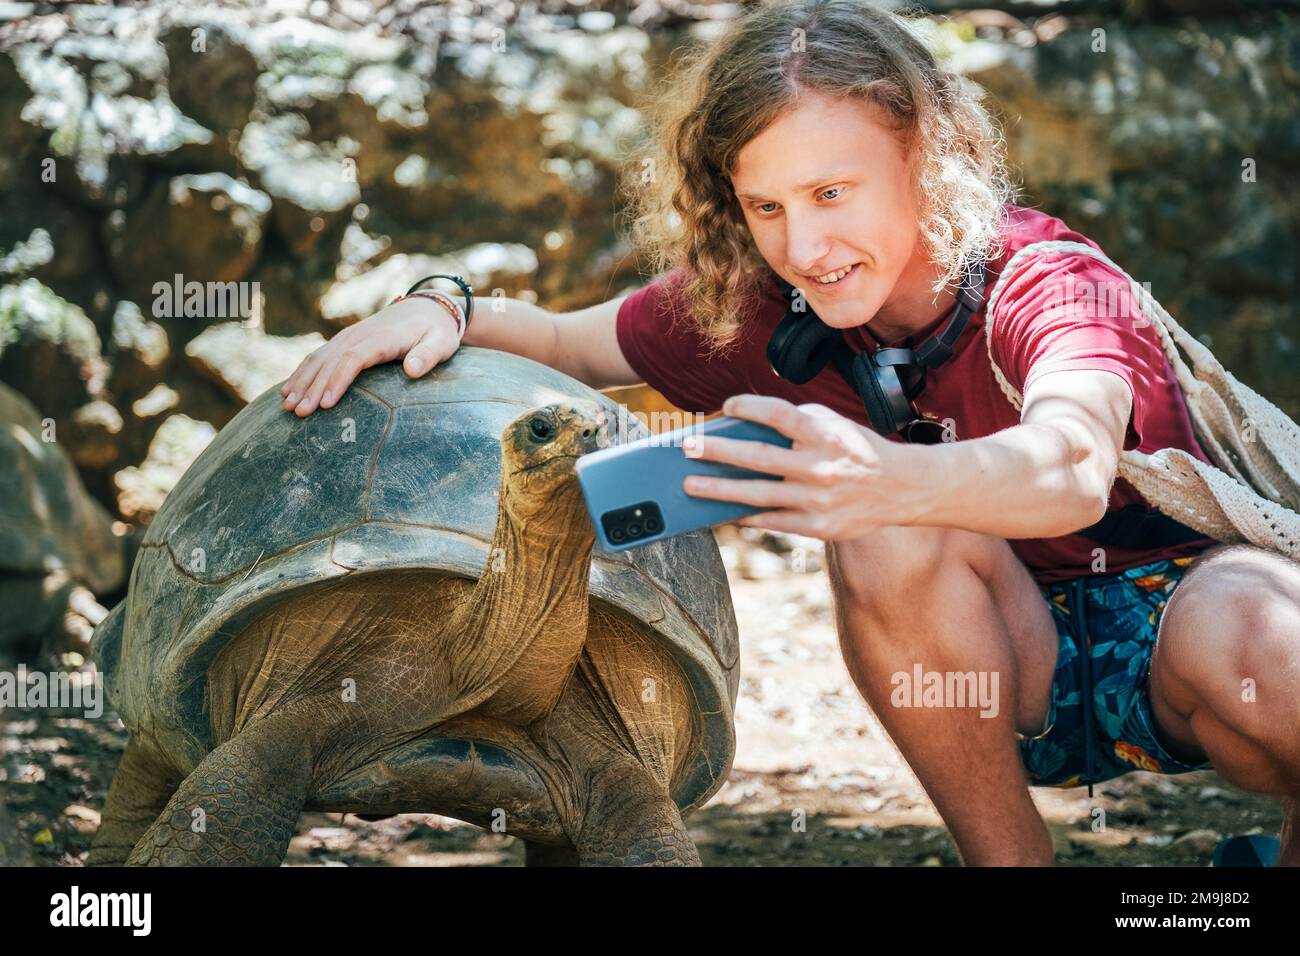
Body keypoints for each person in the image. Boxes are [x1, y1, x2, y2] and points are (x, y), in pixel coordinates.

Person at [279, 0, 1300, 865]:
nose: (805, 245)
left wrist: (887, 472)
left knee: (1260, 628)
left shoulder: (1050, 281)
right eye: (765, 205)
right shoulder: (765, 305)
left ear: (925, 156)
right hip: (999, 659)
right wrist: (439, 301)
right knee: (886, 529)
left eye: (830, 193)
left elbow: (1070, 463)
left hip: (1190, 638)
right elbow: (557, 336)